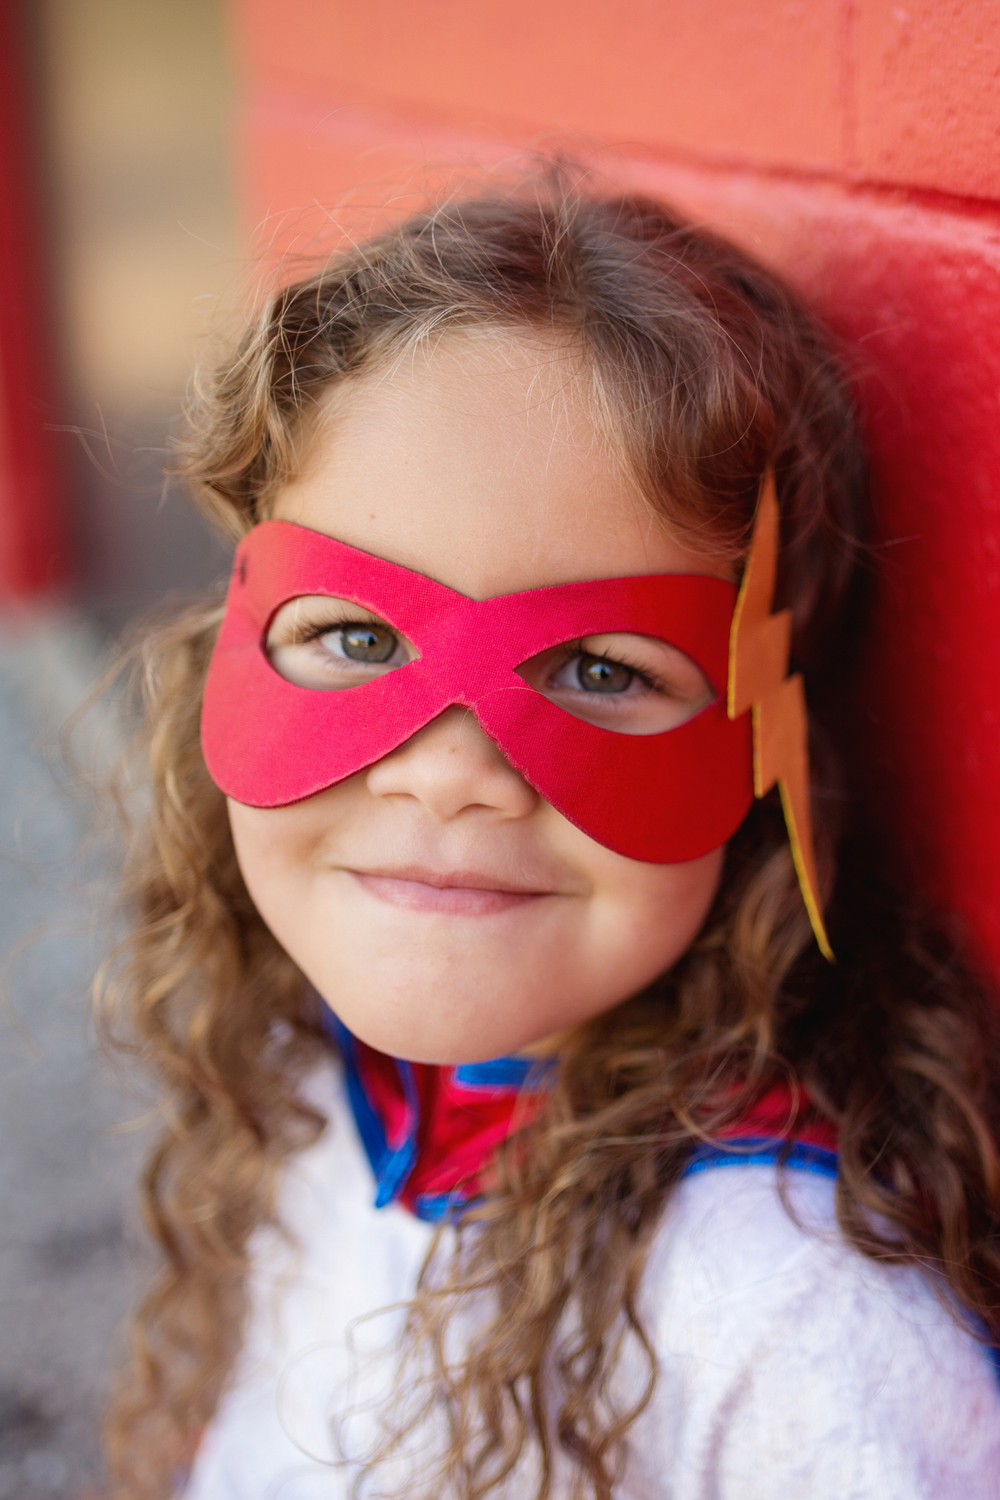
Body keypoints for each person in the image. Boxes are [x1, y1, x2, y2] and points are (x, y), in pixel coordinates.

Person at [100, 175, 1000, 1500]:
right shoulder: (304, 1087)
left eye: (597, 670)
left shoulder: (799, 1326)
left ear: (773, 757)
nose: (456, 776)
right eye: (355, 638)